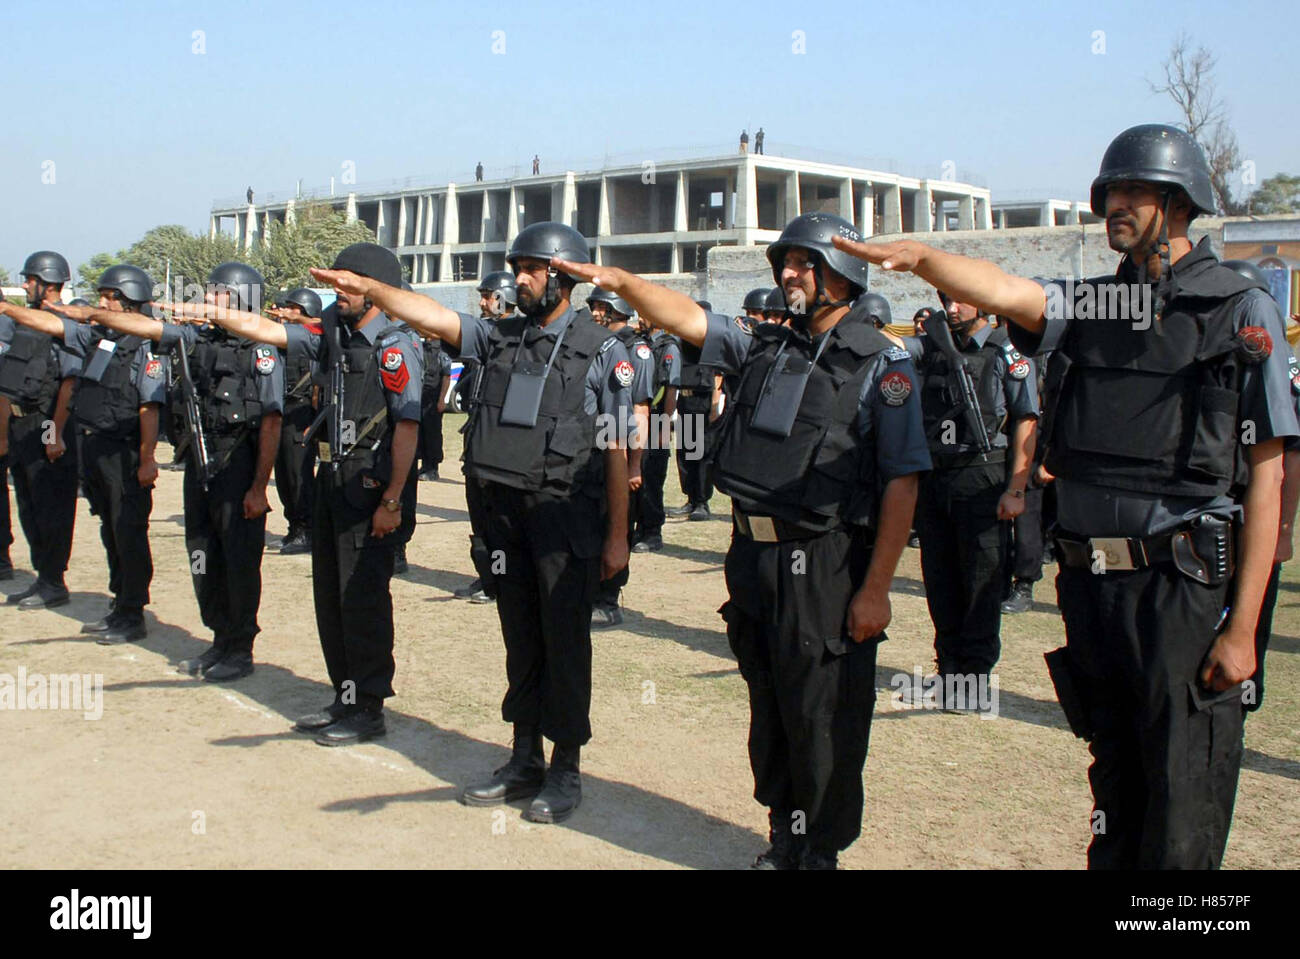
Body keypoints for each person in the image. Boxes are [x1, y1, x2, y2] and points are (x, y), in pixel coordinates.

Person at [833, 123, 1298, 869]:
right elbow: (1008, 289)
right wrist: (924, 259)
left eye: (1133, 191)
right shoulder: (1095, 306)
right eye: (1110, 191)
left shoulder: (1240, 310)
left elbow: (1270, 472)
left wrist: (1244, 628)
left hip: (1179, 588)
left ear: (1178, 204)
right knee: (1115, 791)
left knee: (1180, 807)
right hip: (1094, 588)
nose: (1115, 203)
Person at [553, 211, 930, 869]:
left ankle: (818, 850)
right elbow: (687, 317)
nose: (788, 272)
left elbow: (903, 481)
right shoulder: (764, 346)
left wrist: (876, 590)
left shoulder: (882, 364)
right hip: (753, 558)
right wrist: (622, 279)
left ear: (842, 274)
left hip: (827, 561)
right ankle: (784, 830)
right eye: (784, 261)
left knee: (822, 715)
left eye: (803, 262)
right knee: (772, 707)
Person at [310, 222, 633, 824]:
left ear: (563, 275)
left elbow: (616, 450)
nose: (518, 279)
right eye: (517, 268)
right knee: (520, 641)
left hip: (567, 522)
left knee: (565, 646)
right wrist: (368, 289)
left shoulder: (604, 350)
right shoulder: (499, 337)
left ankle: (565, 767)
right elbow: (434, 318)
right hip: (508, 522)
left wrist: (618, 536)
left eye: (531, 269)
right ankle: (523, 756)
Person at [170, 244, 423, 741]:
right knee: (329, 598)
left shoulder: (395, 345)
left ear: (375, 288)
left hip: (369, 492)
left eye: (348, 284)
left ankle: (368, 707)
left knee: (362, 602)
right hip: (329, 483)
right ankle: (343, 698)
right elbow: (269, 332)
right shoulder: (330, 332)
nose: (337, 293)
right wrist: (211, 312)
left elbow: (407, 428)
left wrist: (393, 500)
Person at [0, 265, 166, 643]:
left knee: (129, 534)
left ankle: (133, 612)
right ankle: (119, 603)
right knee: (111, 532)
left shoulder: (145, 346)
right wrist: (8, 309)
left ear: (129, 302)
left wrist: (147, 458)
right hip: (96, 448)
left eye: (110, 296)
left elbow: (149, 407)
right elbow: (53, 326)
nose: (102, 302)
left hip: (124, 452)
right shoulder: (100, 336)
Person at [898, 290, 1039, 709]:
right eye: (947, 300)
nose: (952, 308)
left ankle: (974, 680)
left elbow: (1026, 419)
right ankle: (949, 671)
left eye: (960, 300)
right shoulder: (931, 345)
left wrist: (1016, 488)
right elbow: (896, 350)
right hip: (936, 475)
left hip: (984, 474)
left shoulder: (1006, 350)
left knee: (981, 579)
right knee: (940, 579)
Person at [1221, 259, 1300, 714]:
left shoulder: (1277, 368)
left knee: (1253, 612)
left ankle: (1246, 695)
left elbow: (1290, 458)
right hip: (1211, 509)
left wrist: (1283, 530)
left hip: (1256, 509)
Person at [0, 251, 79, 610]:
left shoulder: (65, 323)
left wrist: (54, 435)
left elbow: (68, 384)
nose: (25, 285)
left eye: (30, 280)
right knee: (29, 506)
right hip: (22, 425)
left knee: (52, 509)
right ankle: (41, 577)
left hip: (46, 423)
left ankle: (54, 582)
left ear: (47, 283)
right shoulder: (28, 323)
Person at [587, 287, 653, 627]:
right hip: (592, 452)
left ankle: (610, 598)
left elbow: (640, 410)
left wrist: (633, 464)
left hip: (618, 449)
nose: (596, 313)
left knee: (616, 521)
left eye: (602, 307)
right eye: (594, 306)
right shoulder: (594, 345)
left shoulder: (635, 351)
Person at [453, 271, 518, 604]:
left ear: (504, 297)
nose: (482, 301)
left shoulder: (516, 341)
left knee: (499, 522)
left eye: (488, 295)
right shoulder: (483, 340)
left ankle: (502, 580)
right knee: (479, 518)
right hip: (476, 439)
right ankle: (487, 577)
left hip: (501, 447)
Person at [270, 288, 324, 555]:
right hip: (284, 412)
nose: (285, 311)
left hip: (303, 414)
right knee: (284, 473)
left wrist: (313, 423)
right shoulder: (285, 339)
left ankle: (307, 529)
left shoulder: (317, 340)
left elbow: (319, 385)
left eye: (292, 308)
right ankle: (295, 526)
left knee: (298, 474)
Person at [632, 312, 680, 554]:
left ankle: (653, 532)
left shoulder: (669, 347)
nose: (640, 319)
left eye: (645, 315)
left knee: (652, 477)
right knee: (637, 477)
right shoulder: (640, 343)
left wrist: (664, 424)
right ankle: (639, 528)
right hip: (640, 418)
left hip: (657, 419)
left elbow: (670, 389)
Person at [417, 333, 452, 481]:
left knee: (432, 434)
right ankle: (424, 466)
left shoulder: (442, 350)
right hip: (421, 397)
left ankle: (433, 468)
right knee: (421, 433)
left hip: (433, 398)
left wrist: (442, 399)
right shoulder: (422, 347)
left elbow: (446, 375)